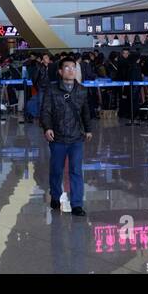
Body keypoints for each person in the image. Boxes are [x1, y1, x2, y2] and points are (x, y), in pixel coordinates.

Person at [40, 56, 91, 216]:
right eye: (67, 68)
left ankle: (76, 204)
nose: (71, 70)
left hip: (76, 137)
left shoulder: (81, 89)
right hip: (58, 137)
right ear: (60, 72)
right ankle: (55, 196)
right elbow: (46, 111)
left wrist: (88, 129)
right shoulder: (52, 89)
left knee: (76, 170)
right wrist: (47, 128)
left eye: (73, 67)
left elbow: (86, 111)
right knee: (56, 170)